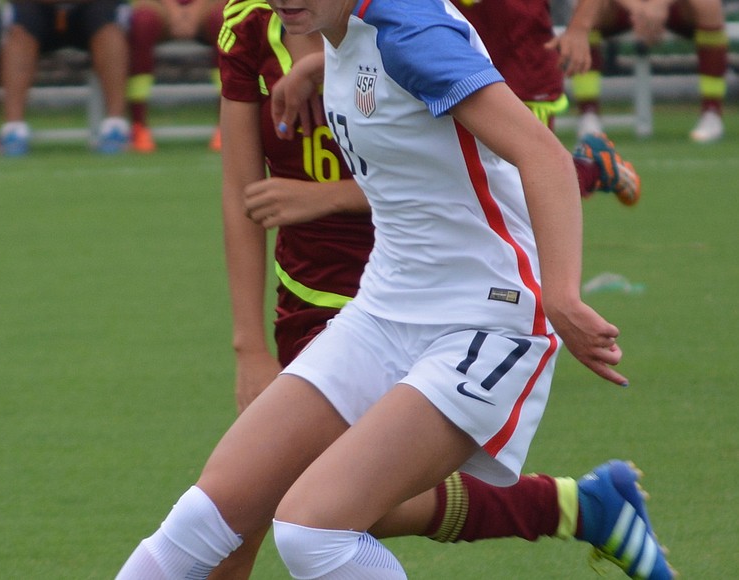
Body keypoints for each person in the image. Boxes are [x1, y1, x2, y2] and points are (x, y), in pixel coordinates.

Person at [116, 1, 675, 578]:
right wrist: (315, 67)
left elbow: (544, 156)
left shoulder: (409, 31)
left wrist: (561, 298)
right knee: (202, 520)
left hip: (485, 321)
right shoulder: (342, 30)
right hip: (384, 310)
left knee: (311, 532)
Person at [456, 0, 641, 206]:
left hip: (523, 71)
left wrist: (579, 28)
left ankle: (593, 166)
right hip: (461, 68)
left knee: (531, 190)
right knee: (466, 178)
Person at [569, 0, 728, 143]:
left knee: (709, 4)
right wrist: (637, 7)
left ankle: (712, 111)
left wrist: (659, 4)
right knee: (586, 10)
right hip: (622, 7)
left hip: (672, 6)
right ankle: (588, 114)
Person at [0, 0, 131, 155]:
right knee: (19, 25)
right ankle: (14, 129)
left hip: (93, 8)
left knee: (109, 24)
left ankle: (115, 126)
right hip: (38, 8)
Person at [127, 0, 223, 152]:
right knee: (143, 22)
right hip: (158, 7)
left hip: (209, 6)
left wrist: (195, 11)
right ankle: (138, 125)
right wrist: (173, 10)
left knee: (223, 21)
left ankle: (226, 125)